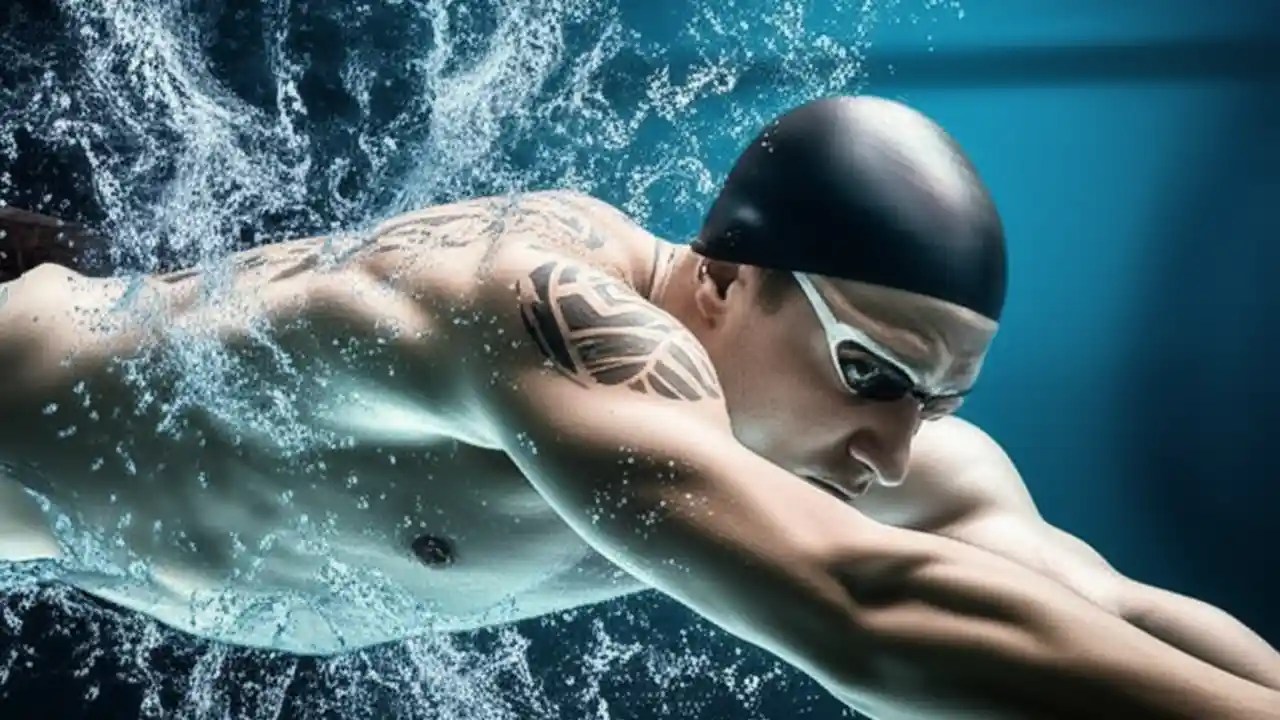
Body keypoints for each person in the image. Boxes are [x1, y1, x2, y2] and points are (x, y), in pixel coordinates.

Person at [0, 95, 1276, 719]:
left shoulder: (871, 457)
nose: (892, 450)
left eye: (935, 403)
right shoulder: (554, 314)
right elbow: (868, 616)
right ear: (722, 279)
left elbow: (1101, 608)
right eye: (870, 374)